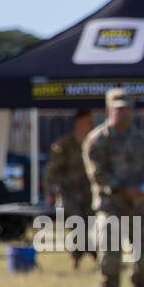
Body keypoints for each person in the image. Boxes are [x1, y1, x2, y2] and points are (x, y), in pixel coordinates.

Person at [81, 89, 144, 287]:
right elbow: (97, 175)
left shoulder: (140, 138)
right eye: (119, 109)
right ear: (108, 110)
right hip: (111, 204)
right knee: (110, 254)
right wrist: (123, 188)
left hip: (138, 205)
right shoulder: (97, 140)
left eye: (127, 109)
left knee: (143, 255)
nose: (123, 113)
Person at [43, 109, 95, 269]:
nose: (91, 125)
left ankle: (94, 257)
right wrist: (50, 193)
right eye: (87, 122)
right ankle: (78, 258)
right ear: (78, 123)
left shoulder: (95, 142)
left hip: (90, 193)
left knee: (93, 226)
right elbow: (51, 171)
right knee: (77, 225)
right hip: (69, 194)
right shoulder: (63, 144)